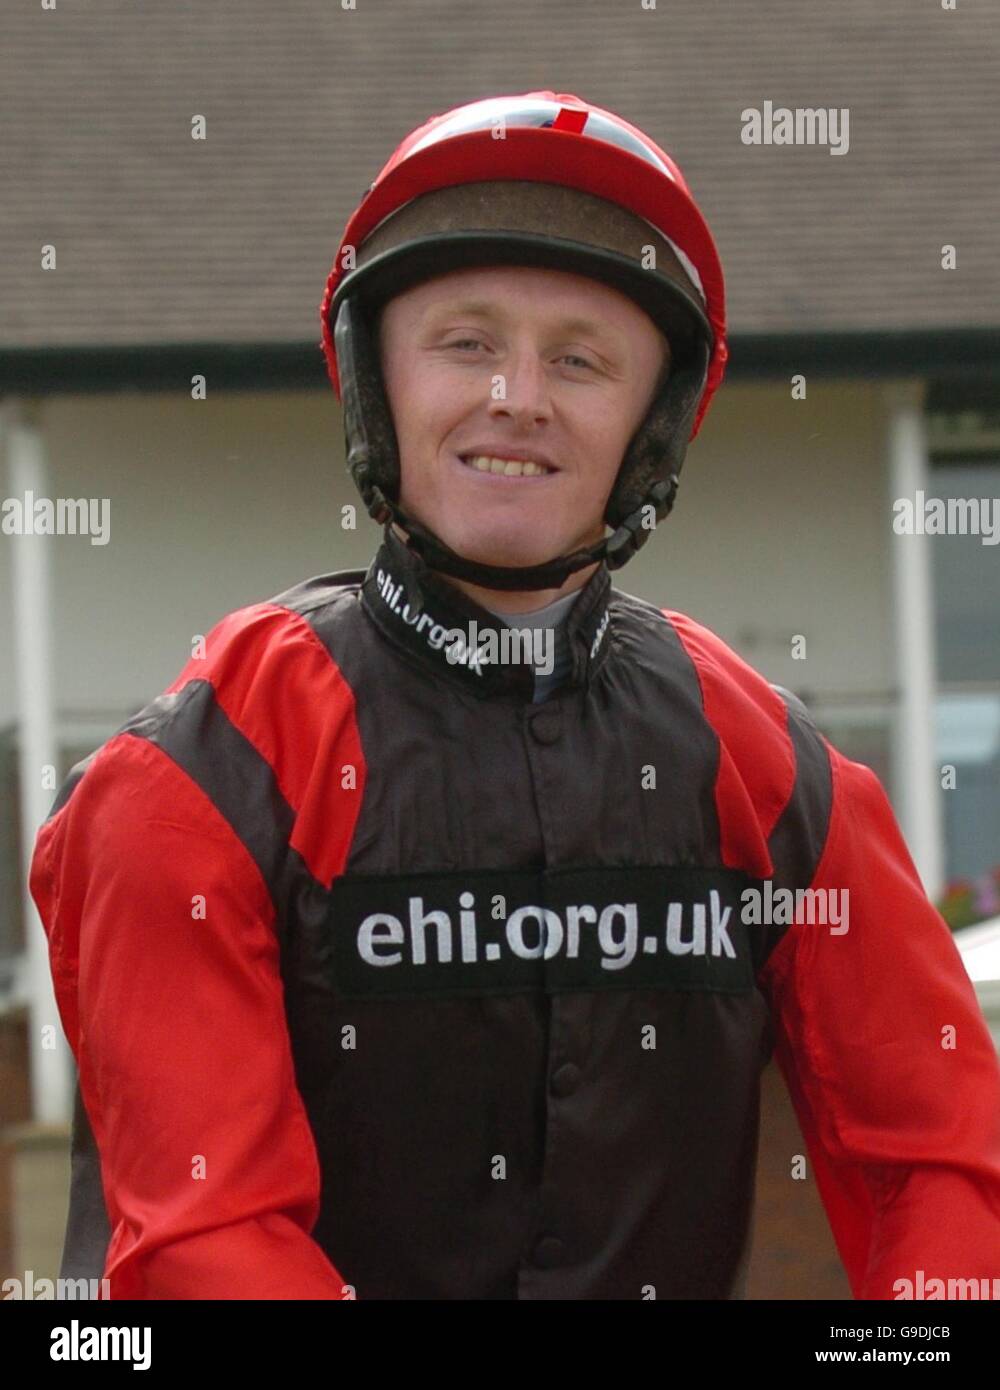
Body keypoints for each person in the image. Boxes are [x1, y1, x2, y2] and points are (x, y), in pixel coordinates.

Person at [30, 91, 1000, 1300]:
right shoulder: (192, 779)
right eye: (466, 342)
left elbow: (943, 1173)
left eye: (581, 359)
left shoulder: (778, 772)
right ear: (374, 382)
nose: (517, 397)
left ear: (652, 426)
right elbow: (201, 1239)